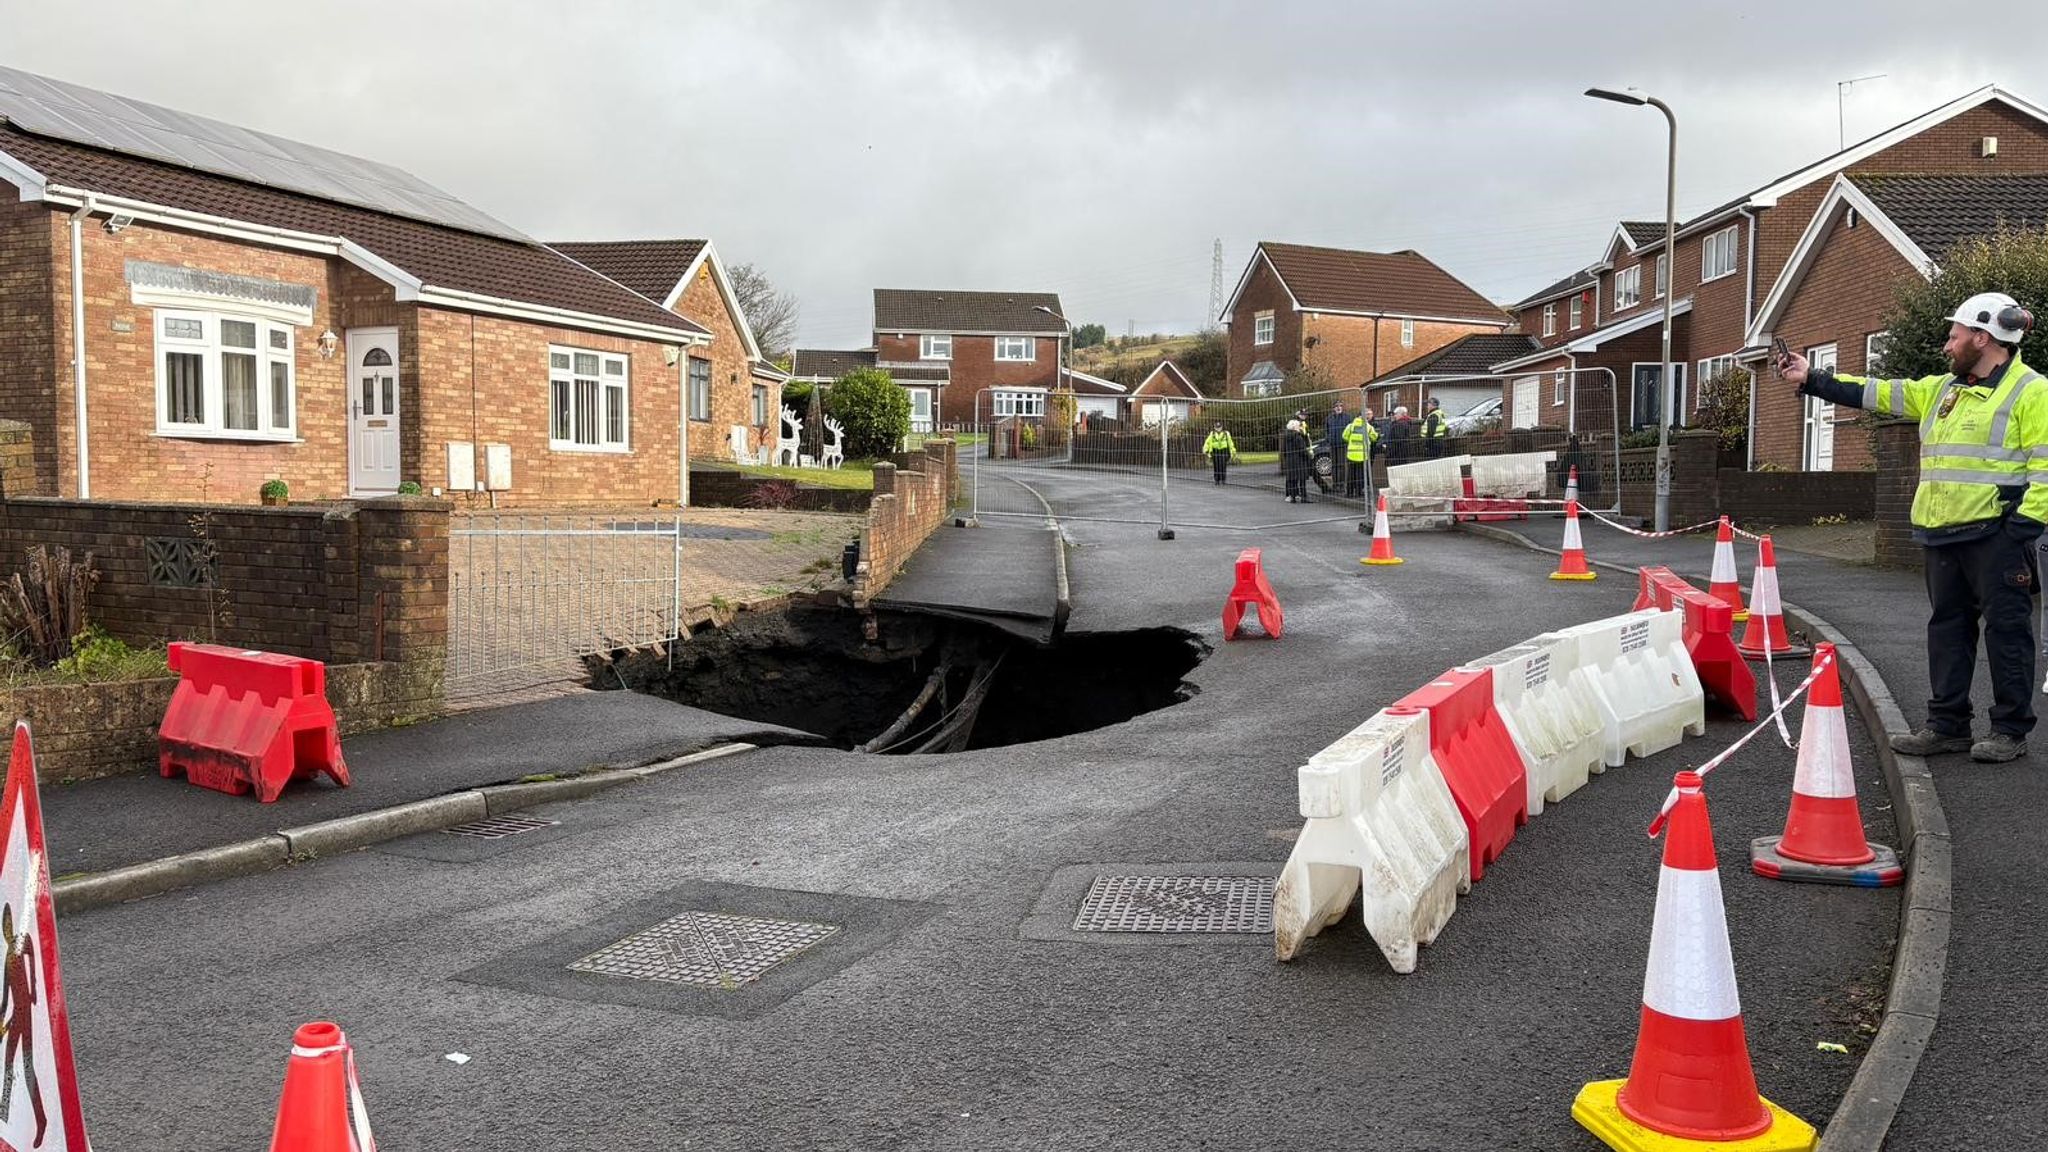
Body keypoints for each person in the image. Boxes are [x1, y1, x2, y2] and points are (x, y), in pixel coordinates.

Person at [1780, 291, 2043, 762]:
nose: (1947, 344)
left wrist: (2023, 527)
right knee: (1947, 631)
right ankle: (1947, 727)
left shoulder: (2032, 391)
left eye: (1955, 335)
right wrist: (1812, 378)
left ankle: (2009, 732)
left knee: (2008, 634)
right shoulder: (1944, 389)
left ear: (1982, 338)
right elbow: (1880, 392)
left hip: (1998, 536)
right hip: (1943, 534)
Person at [1342, 411, 1377, 498]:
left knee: (1350, 474)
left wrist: (1351, 441)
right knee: (1360, 475)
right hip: (1362, 455)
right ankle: (1358, 492)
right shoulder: (1368, 427)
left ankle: (1349, 493)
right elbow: (1374, 437)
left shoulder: (1351, 426)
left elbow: (1344, 436)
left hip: (1351, 454)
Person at [1280, 419, 1312, 503]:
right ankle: (1304, 497)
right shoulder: (1298, 437)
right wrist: (1308, 456)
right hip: (1300, 461)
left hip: (1290, 461)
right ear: (1294, 427)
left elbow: (1284, 450)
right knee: (1302, 480)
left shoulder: (1286, 437)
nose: (1299, 427)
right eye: (1298, 426)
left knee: (1292, 480)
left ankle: (1293, 497)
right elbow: (1302, 450)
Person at [1326, 402, 1351, 496]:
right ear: (1333, 408)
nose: (1338, 408)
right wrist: (1328, 439)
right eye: (1336, 406)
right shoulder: (1329, 418)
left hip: (1343, 444)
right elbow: (1327, 430)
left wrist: (1347, 440)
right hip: (1333, 444)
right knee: (1334, 465)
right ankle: (1335, 484)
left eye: (1340, 406)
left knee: (1342, 465)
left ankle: (1341, 485)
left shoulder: (1347, 417)